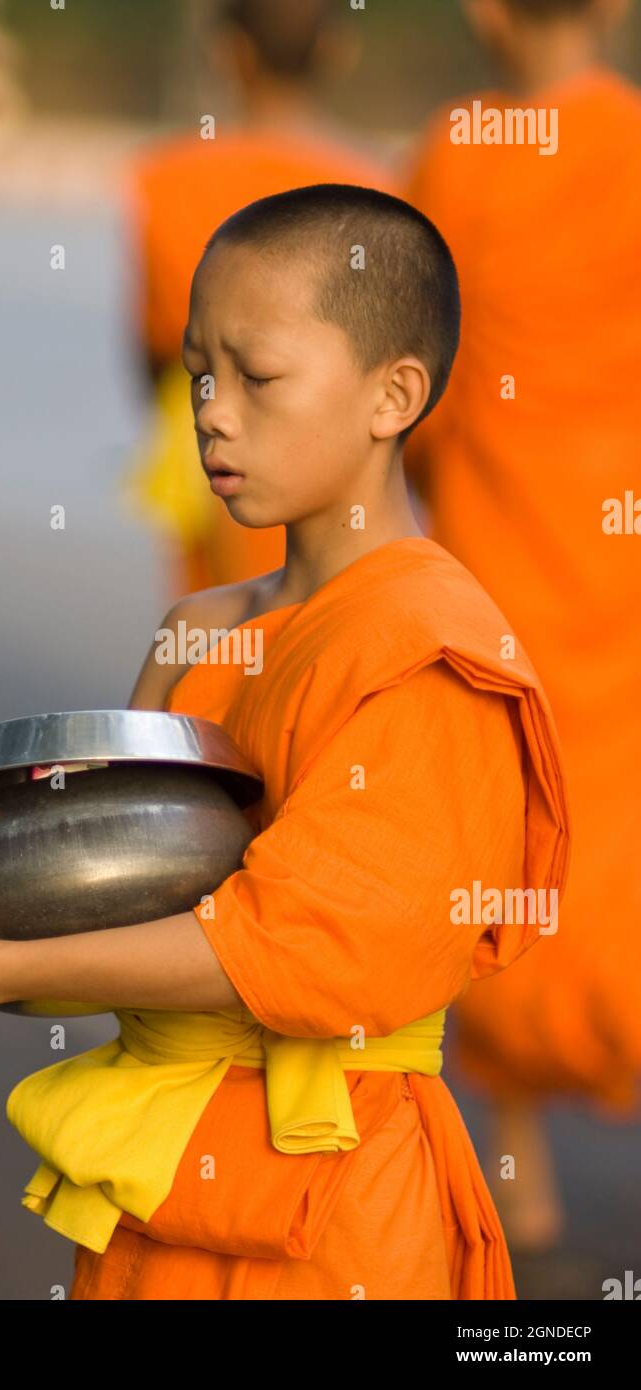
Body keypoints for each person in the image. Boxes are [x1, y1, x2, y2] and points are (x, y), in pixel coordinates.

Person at [0, 185, 569, 1300]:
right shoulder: (198, 630)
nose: (210, 410)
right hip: (155, 1181)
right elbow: (109, 901)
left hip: (334, 1203)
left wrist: (2, 966)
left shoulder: (429, 648)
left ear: (393, 394)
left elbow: (298, 950)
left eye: (257, 375)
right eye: (200, 371)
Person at [403, 0, 641, 1251]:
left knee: (515, 826)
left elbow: (421, 367)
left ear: (482, 11)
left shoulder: (460, 145)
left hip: (502, 527)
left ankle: (521, 1179)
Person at [122, 0, 392, 598]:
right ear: (337, 52)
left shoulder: (168, 180)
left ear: (228, 52)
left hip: (216, 476)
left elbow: (157, 352)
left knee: (213, 660)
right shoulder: (375, 193)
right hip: (339, 489)